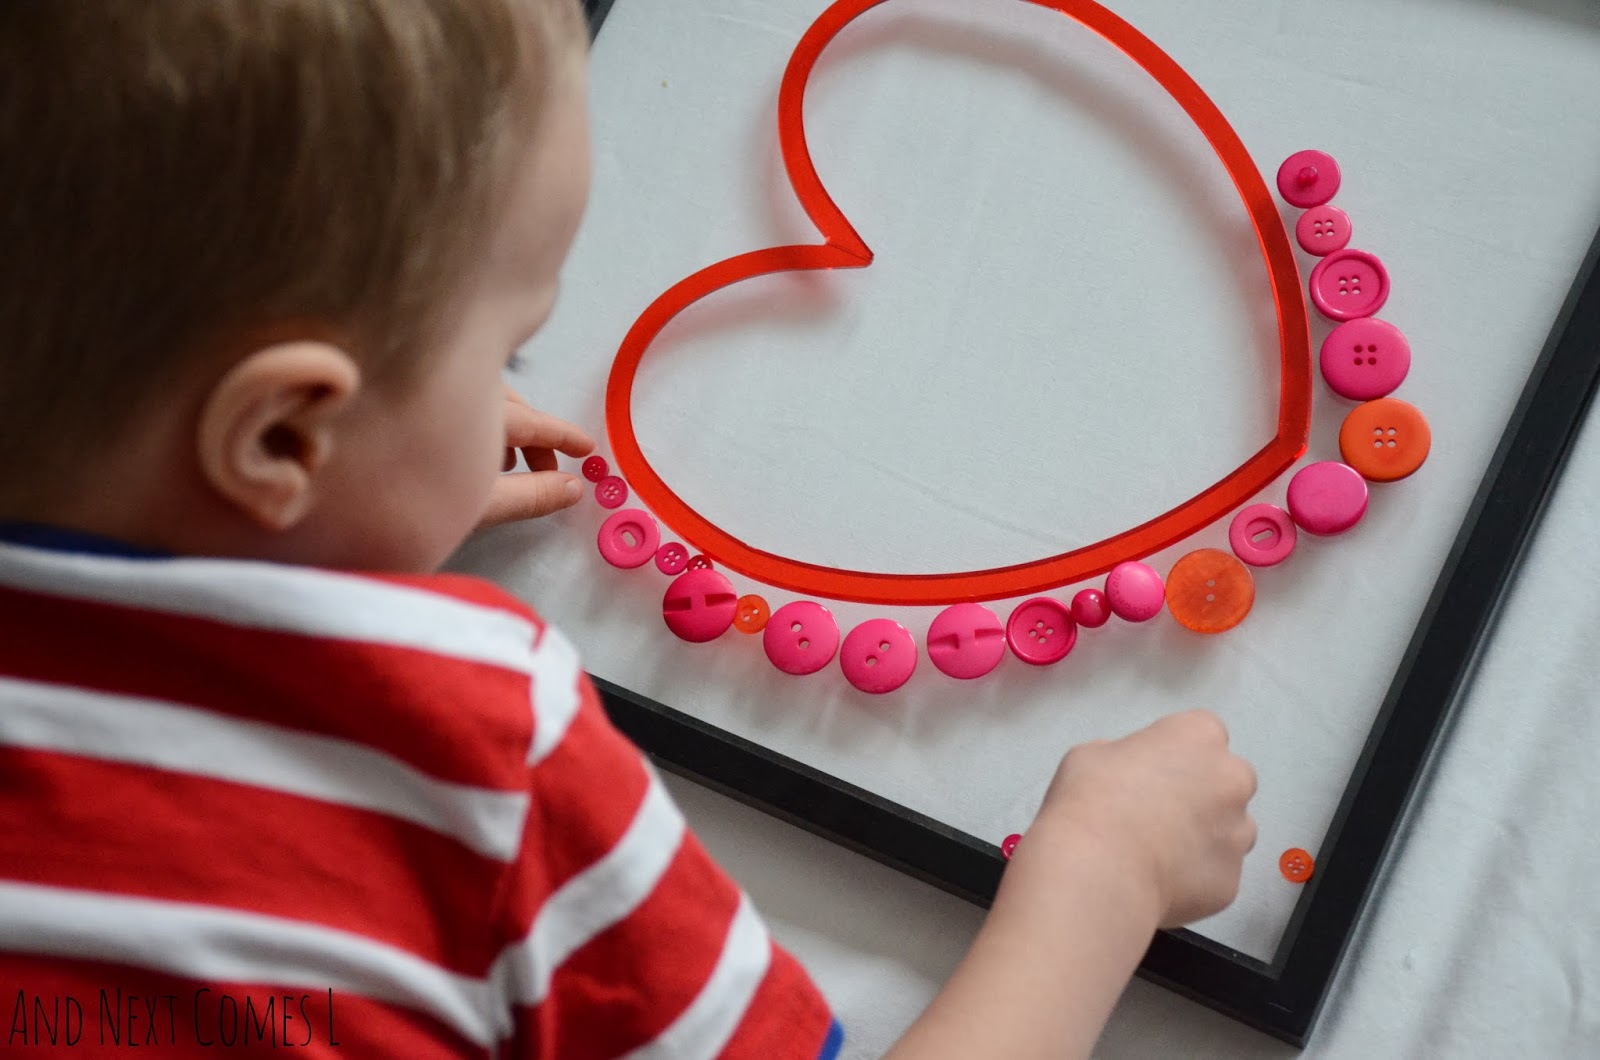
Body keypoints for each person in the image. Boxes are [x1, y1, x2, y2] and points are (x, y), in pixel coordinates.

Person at [0, 1, 1257, 1056]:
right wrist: (1104, 875)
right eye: (507, 343)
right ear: (280, 437)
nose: (515, 385)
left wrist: (329, 518)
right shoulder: (479, 736)